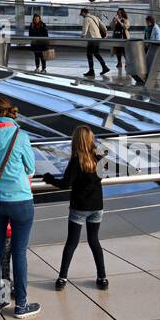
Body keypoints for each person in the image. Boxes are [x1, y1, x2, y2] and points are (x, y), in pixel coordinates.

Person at [0, 97, 40, 319]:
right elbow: (31, 168)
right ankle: (21, 305)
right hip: (21, 201)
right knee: (19, 252)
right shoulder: (21, 136)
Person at [44, 125, 108, 291]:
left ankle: (62, 278)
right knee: (94, 241)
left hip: (79, 207)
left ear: (76, 141)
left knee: (71, 243)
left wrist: (49, 178)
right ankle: (102, 278)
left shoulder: (76, 160)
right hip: (97, 206)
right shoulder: (99, 157)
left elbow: (65, 184)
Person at [80, 7, 109, 76]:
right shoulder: (95, 17)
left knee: (89, 54)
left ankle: (91, 71)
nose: (81, 15)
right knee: (96, 53)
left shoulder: (86, 19)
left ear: (84, 12)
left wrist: (82, 36)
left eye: (81, 14)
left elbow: (84, 30)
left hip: (92, 39)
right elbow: (104, 27)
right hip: (98, 38)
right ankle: (104, 67)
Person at [109, 7, 130, 72]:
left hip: (123, 36)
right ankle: (119, 62)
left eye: (118, 12)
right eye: (117, 12)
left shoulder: (125, 19)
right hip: (116, 36)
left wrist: (119, 21)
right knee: (118, 50)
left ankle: (127, 62)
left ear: (121, 13)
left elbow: (126, 27)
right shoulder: (115, 19)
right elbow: (111, 26)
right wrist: (114, 22)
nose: (117, 13)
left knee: (124, 50)